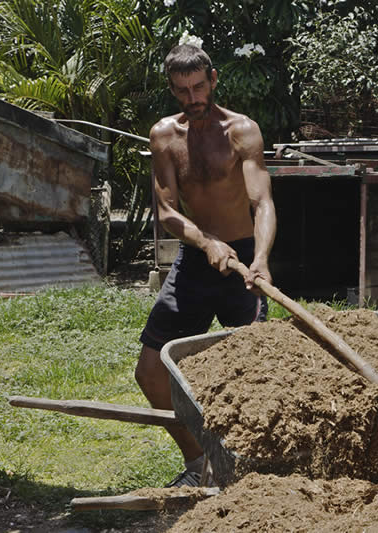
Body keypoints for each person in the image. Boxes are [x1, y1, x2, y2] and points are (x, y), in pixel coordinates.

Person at [135, 43, 276, 487]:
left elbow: (263, 202)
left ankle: (253, 472)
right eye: (182, 91)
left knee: (259, 377)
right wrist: (206, 241)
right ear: (173, 90)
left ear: (213, 79)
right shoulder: (163, 135)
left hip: (244, 267)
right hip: (197, 260)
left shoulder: (243, 131)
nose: (193, 98)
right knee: (151, 372)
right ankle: (200, 464)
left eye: (199, 87)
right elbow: (166, 211)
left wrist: (262, 260)